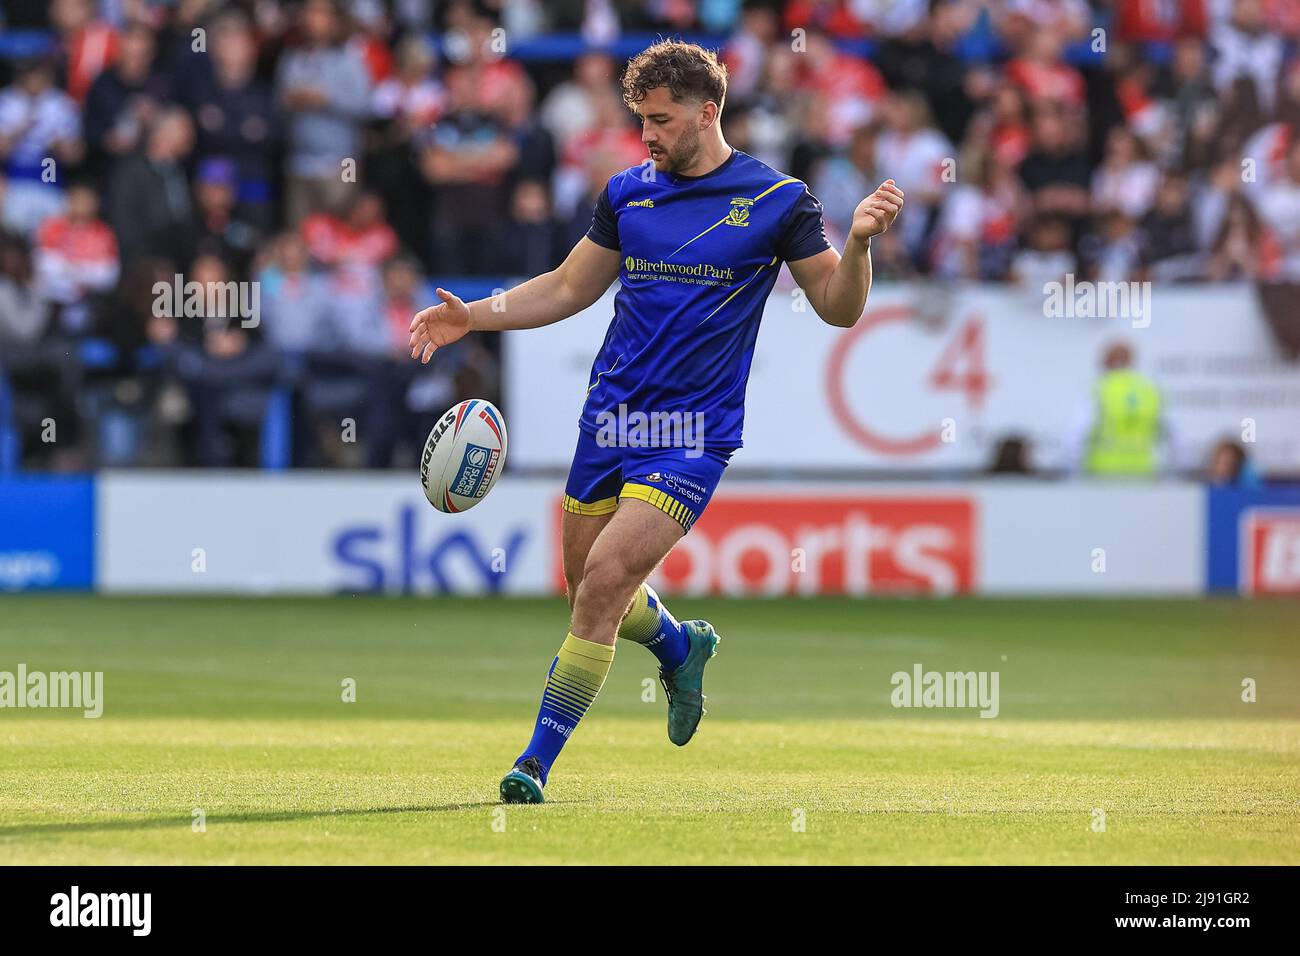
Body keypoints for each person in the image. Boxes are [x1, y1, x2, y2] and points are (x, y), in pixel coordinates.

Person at [407, 40, 904, 804]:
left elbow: (839, 308)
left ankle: (533, 763)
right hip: (609, 421)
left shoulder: (779, 201)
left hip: (692, 436)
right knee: (584, 590)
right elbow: (571, 286)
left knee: (605, 581)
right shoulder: (628, 193)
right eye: (641, 119)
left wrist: (861, 242)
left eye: (662, 121)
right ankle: (680, 645)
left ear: (709, 113)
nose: (647, 135)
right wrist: (471, 317)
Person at [1076, 341, 1171, 477]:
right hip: (1144, 475)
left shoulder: (1099, 389)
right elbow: (1173, 436)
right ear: (1130, 361)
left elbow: (1077, 434)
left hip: (1103, 476)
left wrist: (1076, 471)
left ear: (1105, 361)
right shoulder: (1150, 390)